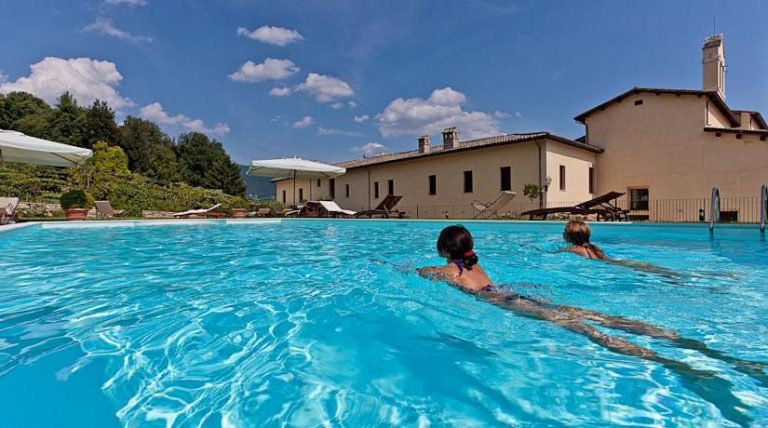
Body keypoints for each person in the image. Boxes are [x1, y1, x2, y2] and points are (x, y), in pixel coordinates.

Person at [415, 225, 767, 422]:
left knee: (591, 332)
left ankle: (669, 362)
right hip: (517, 294)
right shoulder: (476, 266)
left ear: (445, 250)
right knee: (608, 319)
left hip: (513, 303)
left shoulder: (449, 271)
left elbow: (424, 273)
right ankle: (693, 347)